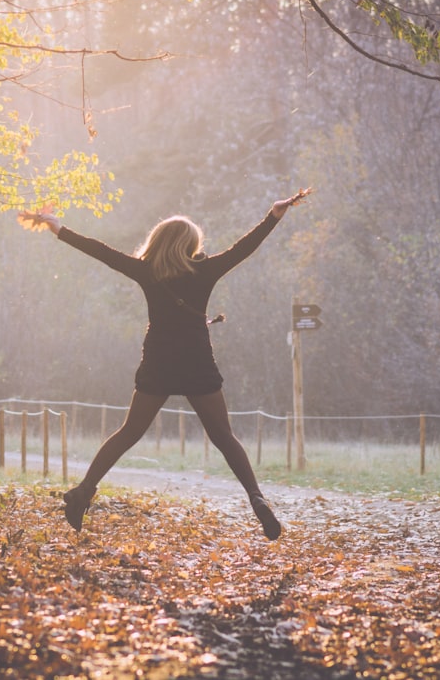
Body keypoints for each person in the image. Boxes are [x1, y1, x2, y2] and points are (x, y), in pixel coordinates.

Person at [20, 188, 312, 540]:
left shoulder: (147, 271)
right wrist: (273, 216)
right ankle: (256, 497)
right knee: (224, 436)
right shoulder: (206, 270)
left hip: (159, 361)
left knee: (129, 432)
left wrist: (59, 229)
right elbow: (243, 248)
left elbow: (101, 252)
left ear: (158, 241)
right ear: (190, 243)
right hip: (197, 362)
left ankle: (83, 492)